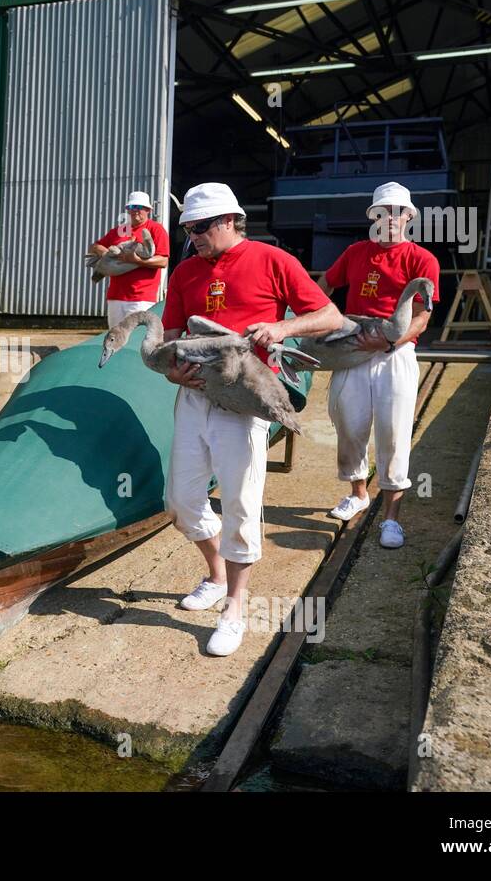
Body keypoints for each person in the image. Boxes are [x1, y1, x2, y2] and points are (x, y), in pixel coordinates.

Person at [163, 183, 343, 656]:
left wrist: (283, 326)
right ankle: (217, 576)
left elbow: (329, 315)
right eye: (187, 228)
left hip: (244, 401)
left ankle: (235, 610)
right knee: (181, 500)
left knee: (241, 505)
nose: (193, 236)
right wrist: (172, 370)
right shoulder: (184, 272)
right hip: (195, 395)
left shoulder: (272, 260)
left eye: (200, 227)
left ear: (228, 220)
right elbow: (170, 335)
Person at [318, 181, 440, 549]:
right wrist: (317, 321)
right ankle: (358, 493)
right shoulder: (355, 253)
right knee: (349, 424)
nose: (389, 219)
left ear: (409, 217)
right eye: (381, 212)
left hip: (394, 354)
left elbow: (422, 316)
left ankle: (391, 519)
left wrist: (390, 339)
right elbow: (324, 284)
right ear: (372, 217)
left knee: (393, 432)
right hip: (354, 348)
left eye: (396, 212)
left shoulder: (422, 260)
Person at [88, 190, 170, 327]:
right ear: (127, 210)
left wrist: (135, 260)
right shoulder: (120, 230)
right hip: (115, 296)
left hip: (141, 298)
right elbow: (94, 246)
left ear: (148, 210)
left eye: (139, 207)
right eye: (132, 207)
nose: (135, 211)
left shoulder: (156, 229)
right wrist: (105, 253)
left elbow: (163, 261)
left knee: (134, 341)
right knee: (115, 339)